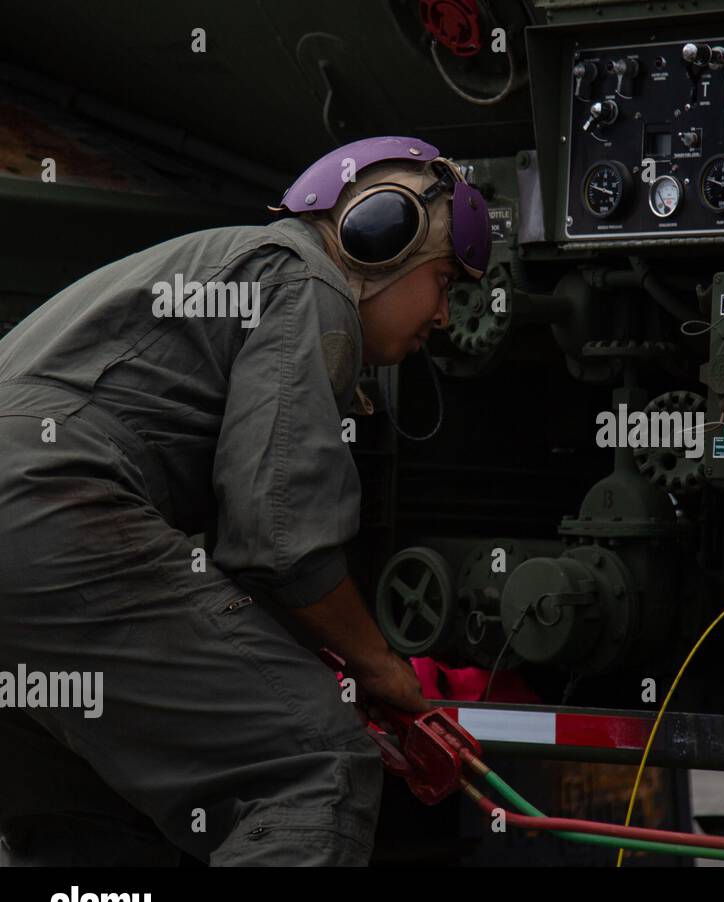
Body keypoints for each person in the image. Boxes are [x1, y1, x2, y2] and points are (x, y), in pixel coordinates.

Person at [0, 136, 490, 865]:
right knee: (314, 766)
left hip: (29, 556)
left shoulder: (221, 265)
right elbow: (279, 537)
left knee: (90, 814)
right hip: (51, 512)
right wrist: (380, 667)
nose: (444, 317)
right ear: (384, 235)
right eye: (446, 281)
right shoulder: (304, 281)